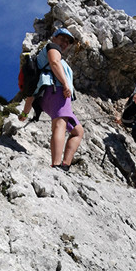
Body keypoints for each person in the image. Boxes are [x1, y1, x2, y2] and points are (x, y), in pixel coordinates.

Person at [36, 28, 85, 170]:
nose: (65, 43)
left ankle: (65, 165)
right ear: (54, 38)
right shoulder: (52, 47)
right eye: (62, 39)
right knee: (60, 125)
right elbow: (54, 63)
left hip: (56, 93)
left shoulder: (56, 52)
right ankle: (56, 164)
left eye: (68, 42)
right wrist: (65, 84)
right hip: (56, 90)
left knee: (78, 131)